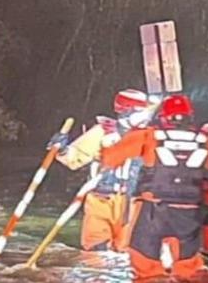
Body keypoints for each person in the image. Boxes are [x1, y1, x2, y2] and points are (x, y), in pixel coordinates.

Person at [98, 94, 208, 279]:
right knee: (188, 269)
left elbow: (110, 158)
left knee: (145, 266)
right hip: (188, 214)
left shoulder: (148, 136)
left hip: (152, 211)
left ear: (163, 117)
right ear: (190, 117)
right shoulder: (207, 143)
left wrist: (108, 142)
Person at [47, 89, 157, 251]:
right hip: (101, 199)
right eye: (140, 111)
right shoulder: (102, 132)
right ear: (125, 111)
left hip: (133, 202)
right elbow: (74, 158)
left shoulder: (151, 136)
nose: (145, 116)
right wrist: (61, 149)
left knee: (129, 252)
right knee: (96, 252)